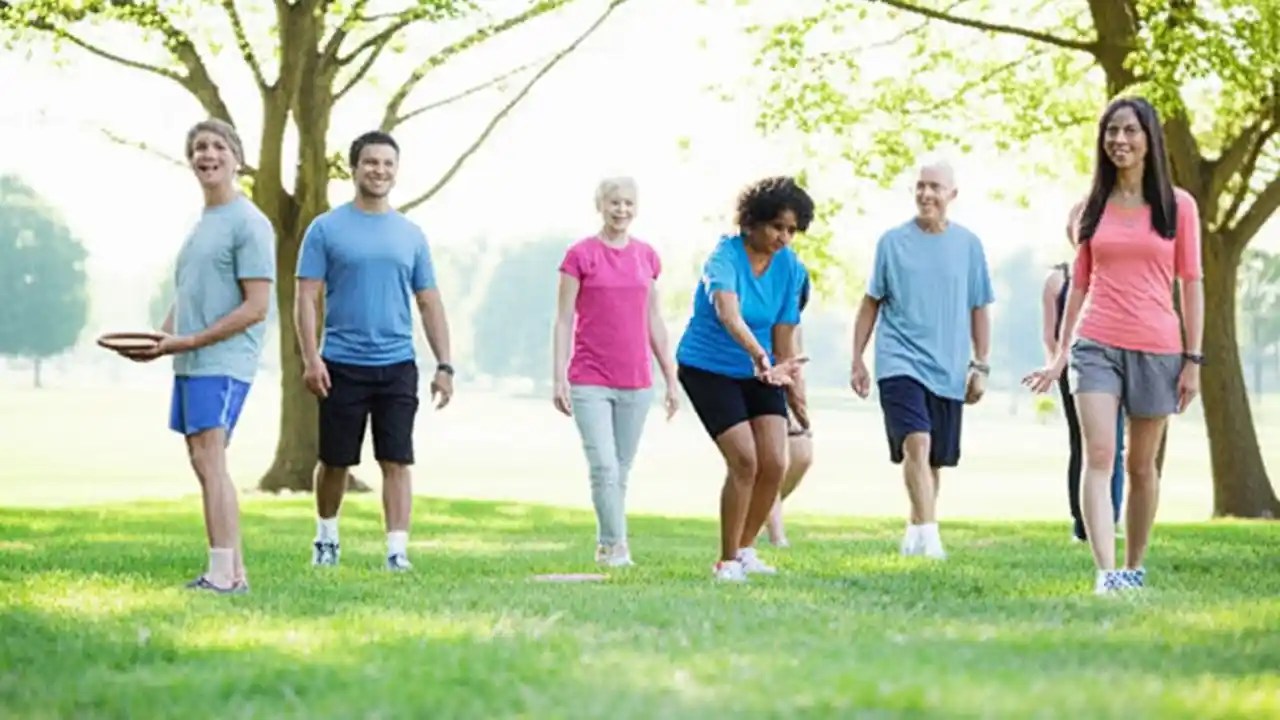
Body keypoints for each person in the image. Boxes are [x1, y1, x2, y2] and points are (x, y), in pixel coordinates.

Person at [1024, 97, 1203, 595]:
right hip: (1096, 343)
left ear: (1149, 139)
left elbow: (1191, 281)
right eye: (1111, 132)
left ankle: (1134, 565)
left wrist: (1194, 358)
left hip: (1158, 347)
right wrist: (1061, 352)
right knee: (1100, 455)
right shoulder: (1092, 207)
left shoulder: (1178, 206)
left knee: (1142, 466)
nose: (1119, 140)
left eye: (1129, 131)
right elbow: (1078, 285)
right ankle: (1107, 574)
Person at [123, 118, 275, 594]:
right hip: (192, 358)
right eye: (198, 148)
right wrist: (160, 338)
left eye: (217, 147)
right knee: (204, 460)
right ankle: (233, 572)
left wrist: (186, 342)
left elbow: (256, 307)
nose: (207, 155)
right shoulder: (204, 223)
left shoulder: (249, 223)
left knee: (211, 460)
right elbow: (191, 294)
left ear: (237, 158)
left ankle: (222, 576)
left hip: (223, 361)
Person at [295, 130, 454, 572]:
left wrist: (445, 364)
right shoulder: (326, 228)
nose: (379, 170)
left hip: (397, 365)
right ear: (354, 168)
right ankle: (326, 539)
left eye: (387, 163)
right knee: (335, 461)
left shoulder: (411, 235)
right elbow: (306, 297)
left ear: (396, 170)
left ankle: (396, 551)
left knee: (397, 458)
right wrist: (312, 357)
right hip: (340, 364)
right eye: (371, 162)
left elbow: (429, 301)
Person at [850, 159, 994, 561]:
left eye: (934, 187)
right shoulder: (891, 243)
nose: (926, 194)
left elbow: (979, 308)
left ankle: (915, 530)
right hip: (898, 359)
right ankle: (931, 539)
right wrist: (857, 359)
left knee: (933, 459)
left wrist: (981, 365)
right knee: (917, 441)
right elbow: (870, 302)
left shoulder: (968, 245)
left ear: (952, 194)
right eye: (920, 186)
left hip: (948, 368)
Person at [675, 176, 812, 582]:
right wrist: (758, 355)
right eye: (777, 227)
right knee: (745, 459)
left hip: (765, 370)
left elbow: (785, 331)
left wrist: (795, 393)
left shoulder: (791, 267)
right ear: (751, 221)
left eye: (791, 229)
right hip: (708, 368)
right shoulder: (724, 258)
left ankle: (745, 549)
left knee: (775, 461)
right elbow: (727, 313)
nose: (784, 237)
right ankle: (726, 561)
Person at [552, 176, 679, 568]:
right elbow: (562, 320)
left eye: (628, 203)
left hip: (637, 381)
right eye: (614, 203)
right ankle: (617, 547)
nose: (621, 210)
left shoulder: (647, 257)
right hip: (589, 378)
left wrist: (671, 378)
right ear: (600, 205)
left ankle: (606, 546)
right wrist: (559, 376)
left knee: (619, 470)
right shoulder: (580, 255)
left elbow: (653, 319)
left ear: (636, 208)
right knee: (604, 466)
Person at [1041, 202, 1125, 543]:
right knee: (1085, 445)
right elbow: (1051, 333)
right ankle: (1083, 525)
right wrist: (1055, 368)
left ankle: (1111, 518)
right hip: (1072, 371)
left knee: (1114, 445)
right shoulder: (1057, 279)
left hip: (1113, 365)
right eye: (1081, 221)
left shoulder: (1112, 272)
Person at [763, 267, 815, 548]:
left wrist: (801, 409)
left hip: (787, 390)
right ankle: (777, 537)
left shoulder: (795, 322)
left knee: (802, 454)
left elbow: (797, 364)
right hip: (759, 381)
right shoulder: (761, 314)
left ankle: (757, 512)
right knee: (775, 461)